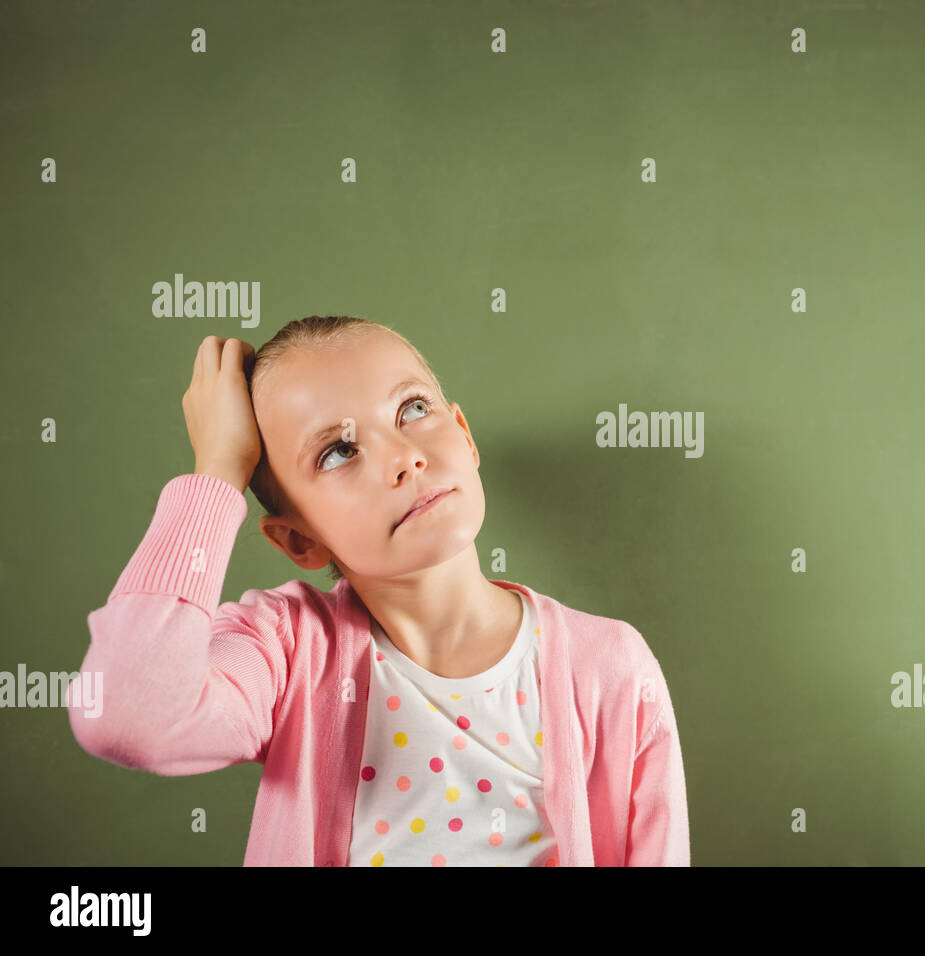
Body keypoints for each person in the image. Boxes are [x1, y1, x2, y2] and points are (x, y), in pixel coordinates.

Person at [66, 315, 689, 866]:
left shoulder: (610, 667)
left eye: (413, 409)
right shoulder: (286, 655)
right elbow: (127, 716)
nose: (403, 458)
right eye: (339, 452)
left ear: (465, 437)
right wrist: (217, 472)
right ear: (298, 542)